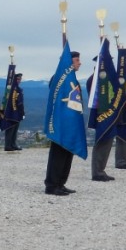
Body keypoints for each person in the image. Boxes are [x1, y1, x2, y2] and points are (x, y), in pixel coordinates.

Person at [44, 51, 83, 196]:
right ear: (69, 62)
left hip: (71, 123)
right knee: (58, 155)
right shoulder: (58, 78)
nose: (80, 63)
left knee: (67, 154)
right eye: (77, 60)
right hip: (61, 124)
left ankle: (61, 183)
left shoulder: (73, 79)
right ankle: (52, 185)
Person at [3, 73, 25, 151]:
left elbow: (20, 102)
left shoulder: (18, 89)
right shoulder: (11, 90)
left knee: (15, 129)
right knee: (10, 129)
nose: (19, 81)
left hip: (17, 112)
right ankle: (8, 145)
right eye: (18, 79)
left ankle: (13, 144)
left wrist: (22, 112)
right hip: (11, 112)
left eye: (20, 79)